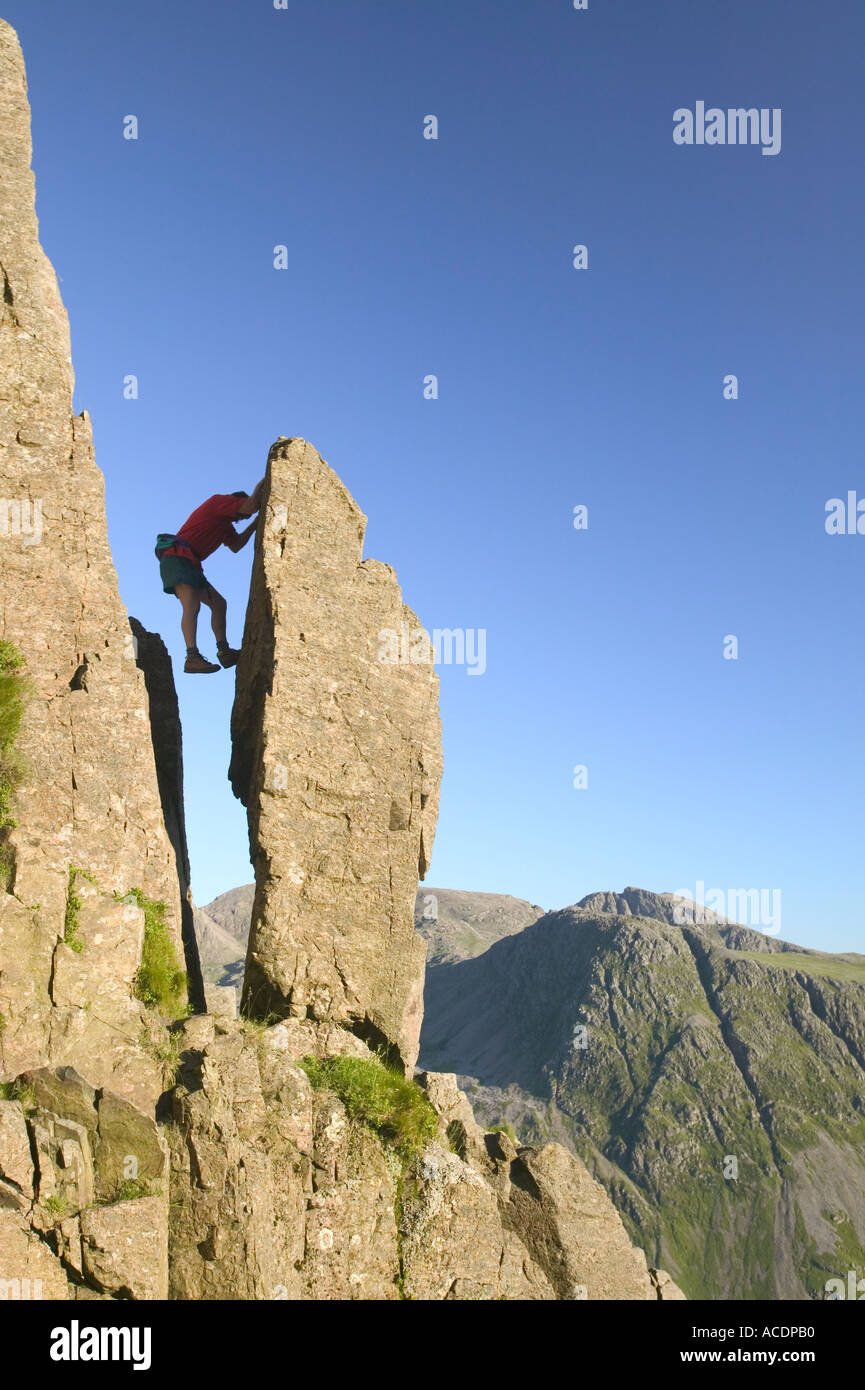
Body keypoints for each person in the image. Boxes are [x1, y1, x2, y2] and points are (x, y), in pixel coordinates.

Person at [155, 480, 264, 673]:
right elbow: (251, 505)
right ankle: (192, 656)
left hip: (191, 562)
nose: (242, 518)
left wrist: (257, 523)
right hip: (177, 555)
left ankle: (224, 652)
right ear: (235, 501)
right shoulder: (219, 502)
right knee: (191, 604)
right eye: (239, 512)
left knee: (219, 604)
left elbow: (237, 545)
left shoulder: (225, 524)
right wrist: (264, 482)